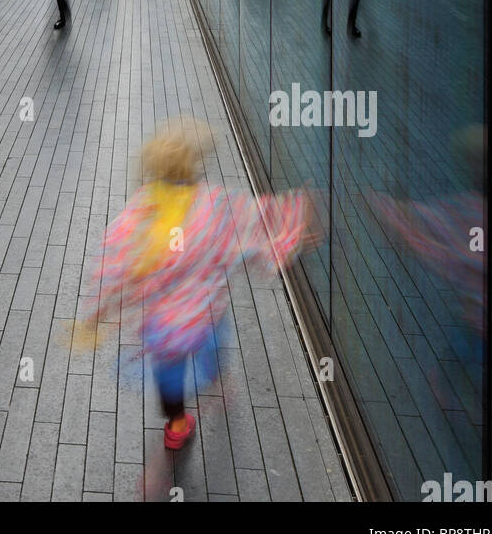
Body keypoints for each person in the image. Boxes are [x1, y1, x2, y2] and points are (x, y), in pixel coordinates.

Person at [77, 122, 314, 450]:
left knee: (169, 378)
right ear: (192, 168)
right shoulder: (212, 205)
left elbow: (115, 264)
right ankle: (215, 375)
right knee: (216, 343)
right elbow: (255, 219)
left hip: (164, 327)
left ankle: (176, 426)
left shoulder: (142, 213)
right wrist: (296, 214)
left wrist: (98, 312)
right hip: (204, 315)